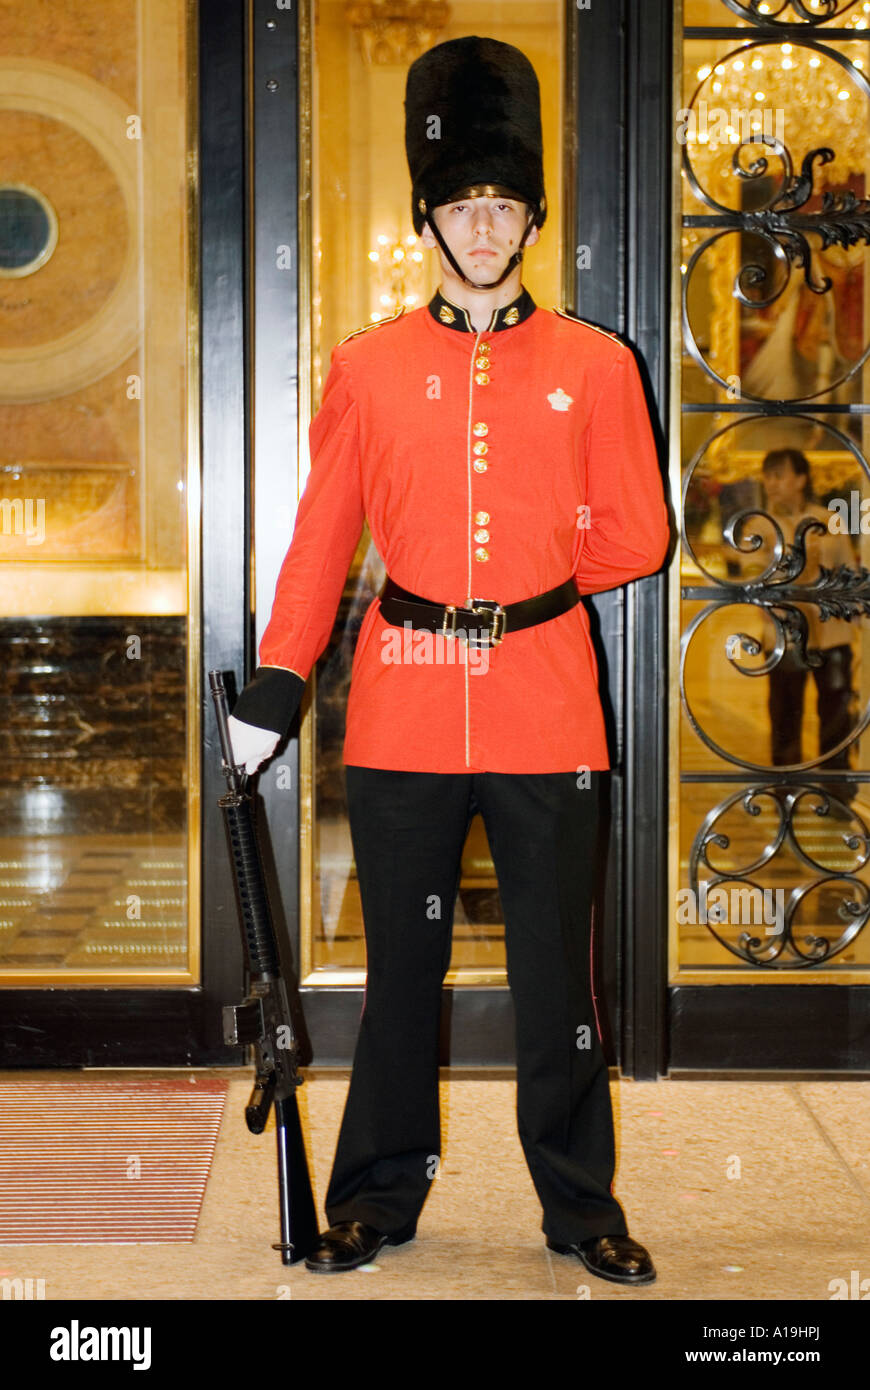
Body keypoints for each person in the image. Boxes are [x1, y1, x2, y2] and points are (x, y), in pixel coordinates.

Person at [229, 36, 669, 1285]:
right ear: (430, 218)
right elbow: (322, 540)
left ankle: (581, 1208)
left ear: (530, 218)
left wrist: (526, 587)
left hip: (548, 710)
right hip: (404, 712)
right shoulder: (370, 366)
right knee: (401, 977)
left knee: (556, 981)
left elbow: (639, 534)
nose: (485, 226)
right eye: (463, 204)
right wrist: (277, 676)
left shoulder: (596, 365)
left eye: (504, 205)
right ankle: (377, 1196)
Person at [758, 448, 857, 798]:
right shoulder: (761, 526)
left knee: (835, 713)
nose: (772, 484)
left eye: (779, 475)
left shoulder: (829, 520)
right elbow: (754, 583)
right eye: (768, 476)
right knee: (785, 715)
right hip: (785, 635)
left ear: (801, 479)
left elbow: (850, 574)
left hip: (831, 634)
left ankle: (836, 791)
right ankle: (785, 790)